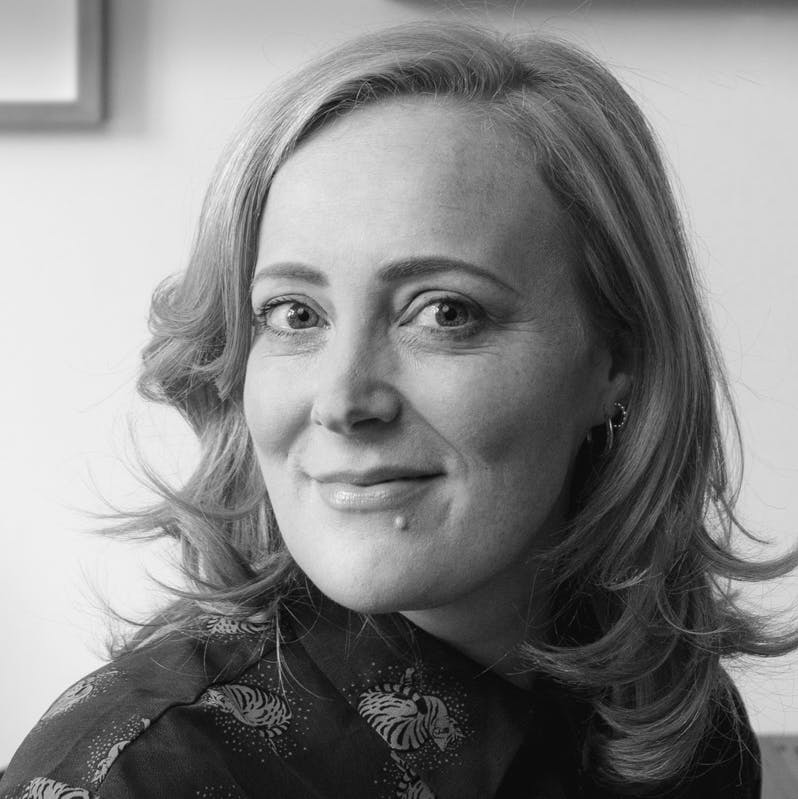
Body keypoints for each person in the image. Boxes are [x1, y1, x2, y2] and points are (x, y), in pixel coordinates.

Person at [1, 21, 794, 799]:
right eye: (295, 314)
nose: (344, 401)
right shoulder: (138, 777)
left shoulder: (682, 729)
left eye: (445, 312)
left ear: (617, 360)